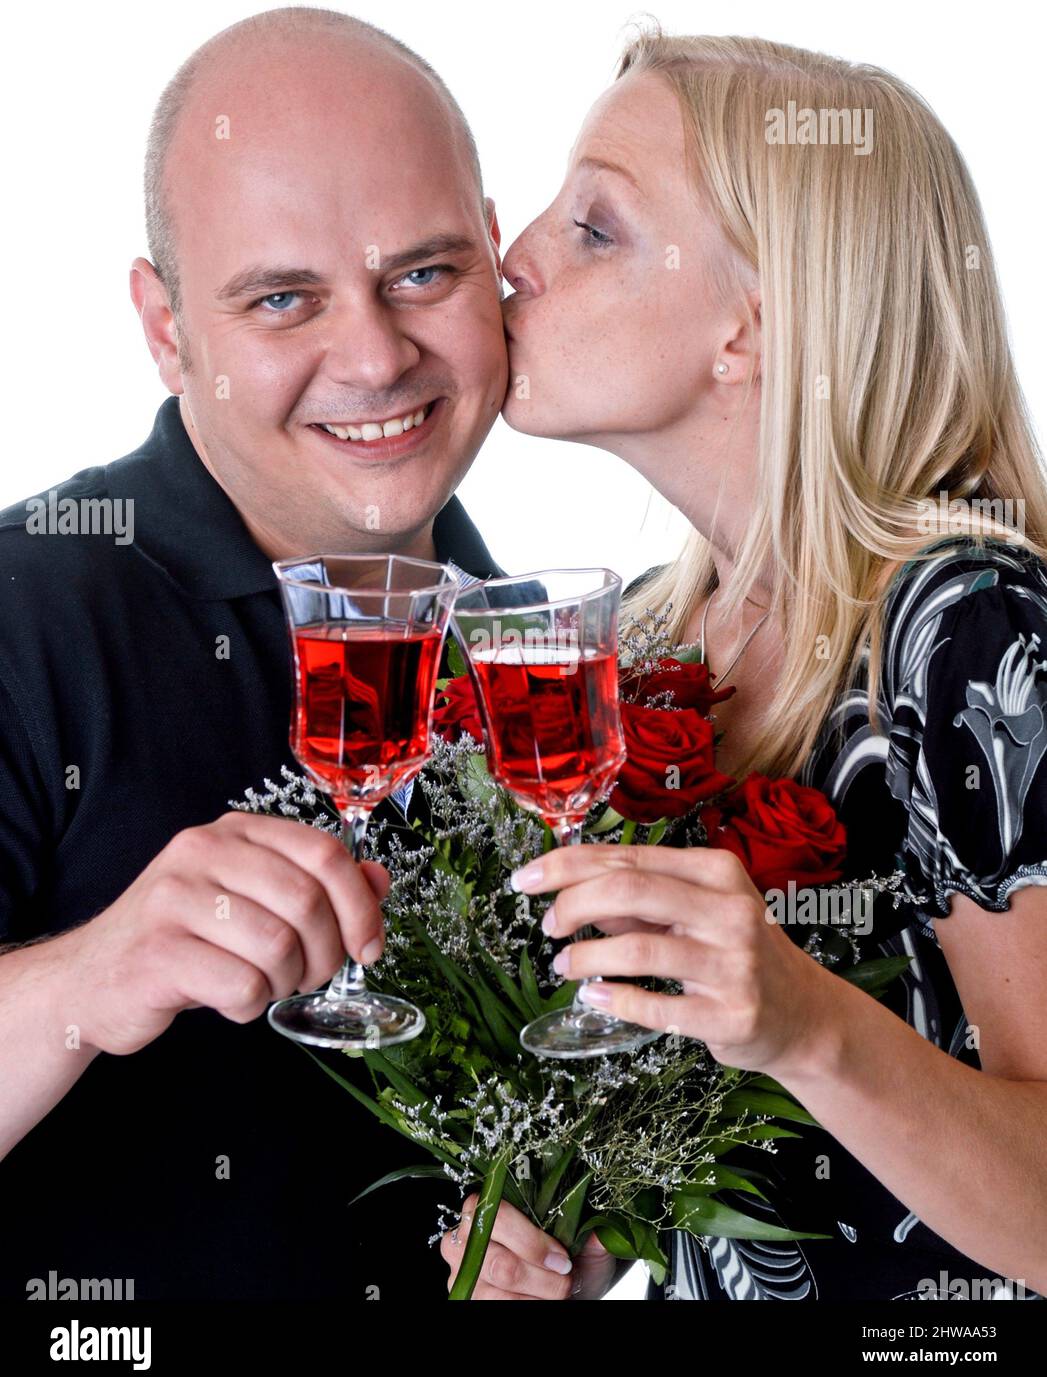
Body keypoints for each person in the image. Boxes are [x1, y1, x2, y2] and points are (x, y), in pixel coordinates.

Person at [441, 27, 1047, 1301]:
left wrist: (807, 1018)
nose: (515, 259)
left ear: (751, 326)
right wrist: (570, 1230)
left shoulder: (965, 623)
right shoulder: (664, 641)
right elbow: (739, 1145)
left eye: (594, 226)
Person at [0, 8, 508, 1299]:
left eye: (424, 275)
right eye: (283, 299)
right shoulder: (22, 605)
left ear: (496, 257)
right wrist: (82, 980)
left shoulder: (541, 655)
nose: (376, 357)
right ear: (165, 329)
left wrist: (562, 1235)